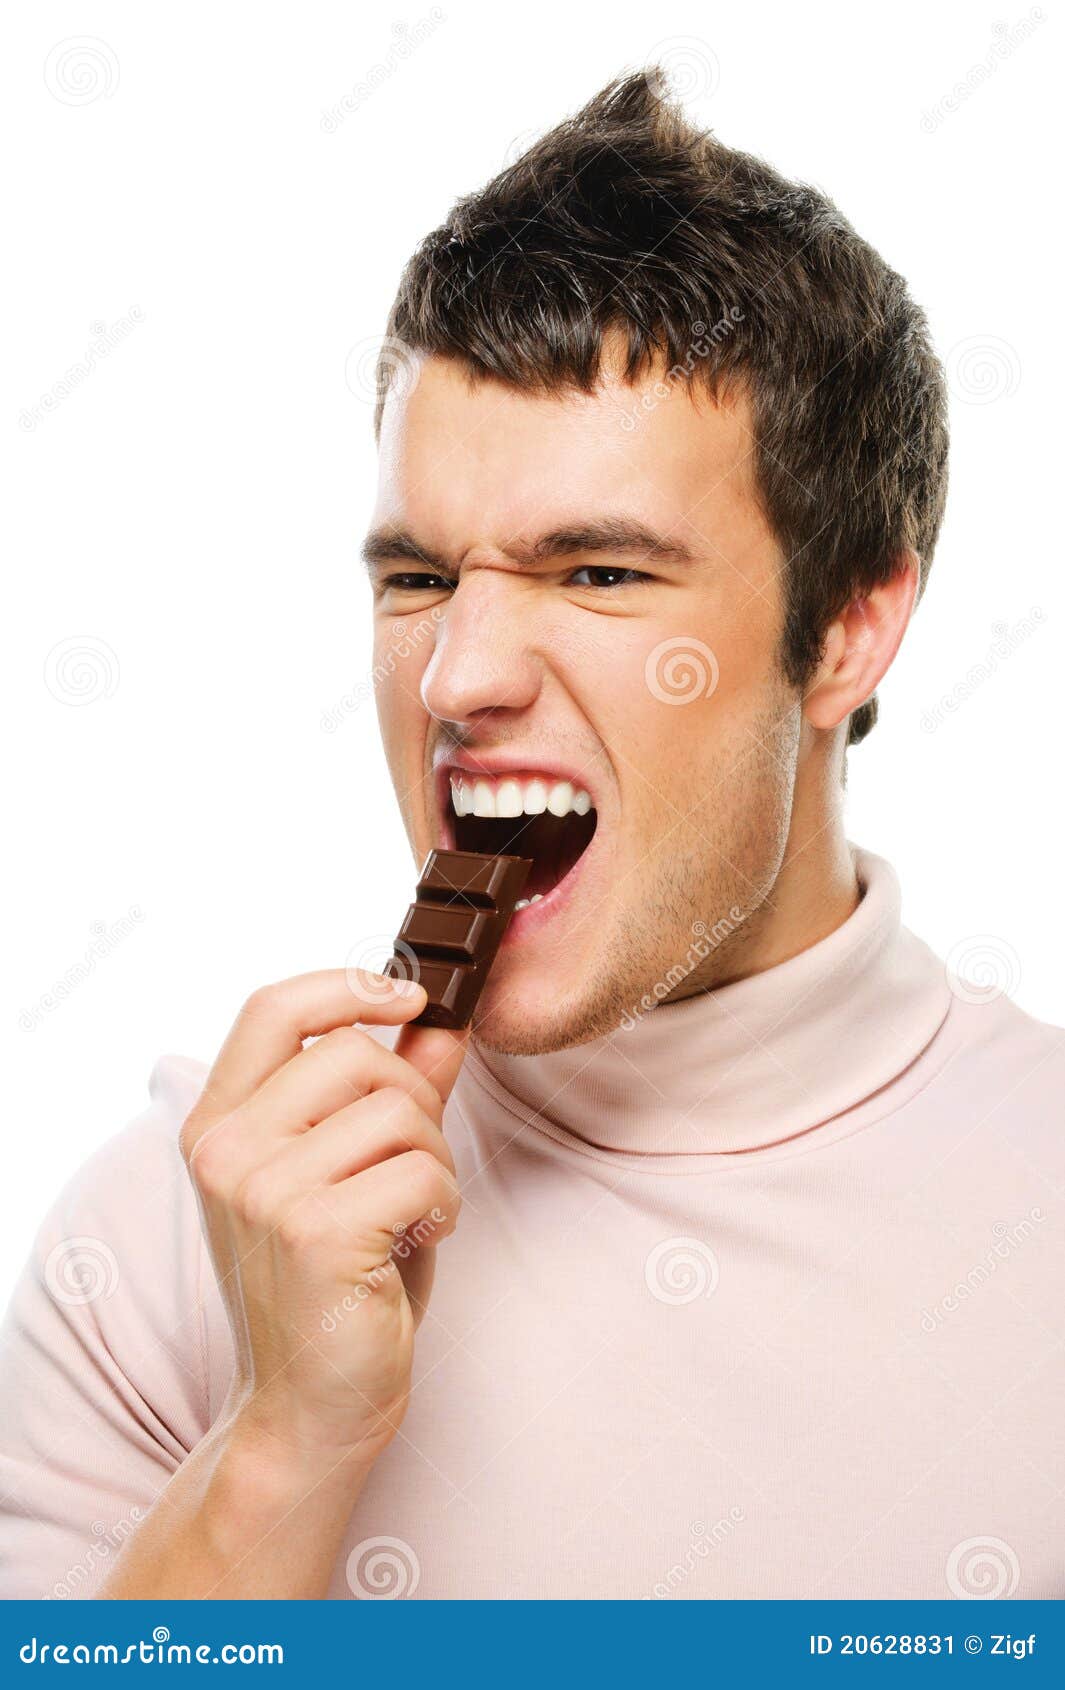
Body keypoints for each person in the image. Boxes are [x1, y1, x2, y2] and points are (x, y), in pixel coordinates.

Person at [1, 71, 1061, 1602]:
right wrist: (284, 1442)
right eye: (419, 575)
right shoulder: (177, 1230)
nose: (457, 675)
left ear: (846, 629)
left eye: (600, 575)